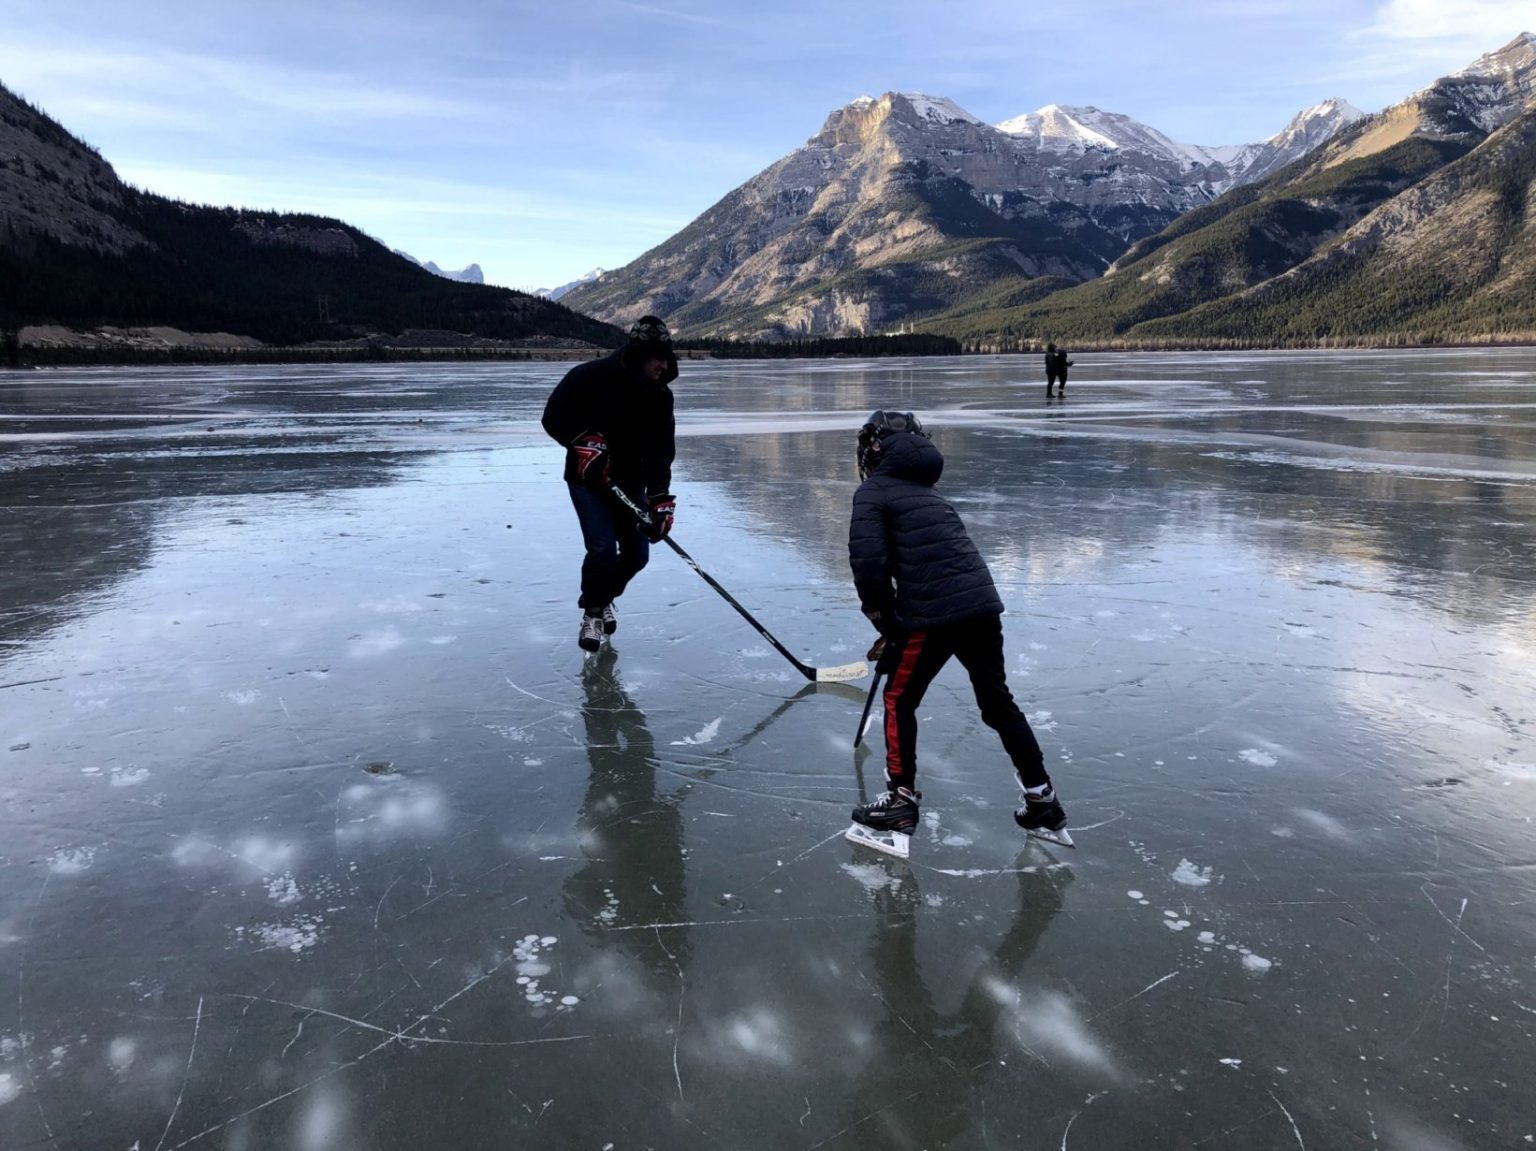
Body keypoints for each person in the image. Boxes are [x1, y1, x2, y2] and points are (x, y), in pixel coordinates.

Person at [845, 410, 1069, 857]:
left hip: (933, 615)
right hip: (981, 607)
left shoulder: (873, 492)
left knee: (898, 699)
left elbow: (869, 567)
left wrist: (886, 624)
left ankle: (900, 801)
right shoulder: (930, 493)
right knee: (998, 704)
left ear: (874, 449)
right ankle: (1041, 799)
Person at [541, 316, 678, 652]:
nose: (663, 365)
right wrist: (582, 441)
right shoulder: (589, 377)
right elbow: (553, 415)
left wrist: (660, 500)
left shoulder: (661, 397)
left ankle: (602, 599)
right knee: (602, 548)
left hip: (631, 484)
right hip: (587, 481)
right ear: (639, 354)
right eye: (657, 357)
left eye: (667, 357)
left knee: (637, 556)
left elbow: (660, 452)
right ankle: (592, 613)